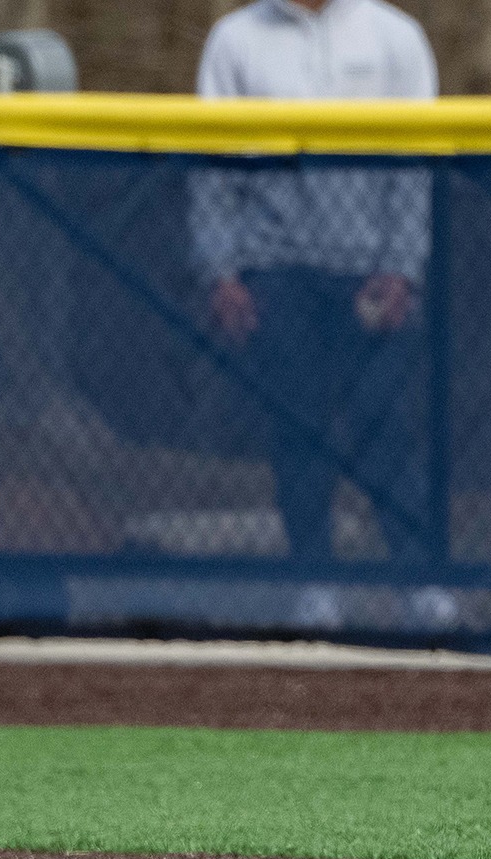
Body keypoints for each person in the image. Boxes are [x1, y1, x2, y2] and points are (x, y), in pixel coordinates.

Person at [190, 0, 437, 569]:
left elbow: (416, 164)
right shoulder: (234, 39)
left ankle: (421, 582)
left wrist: (403, 266)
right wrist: (221, 270)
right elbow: (211, 167)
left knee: (388, 426)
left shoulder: (396, 36)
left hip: (372, 269)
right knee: (296, 427)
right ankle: (313, 581)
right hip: (276, 266)